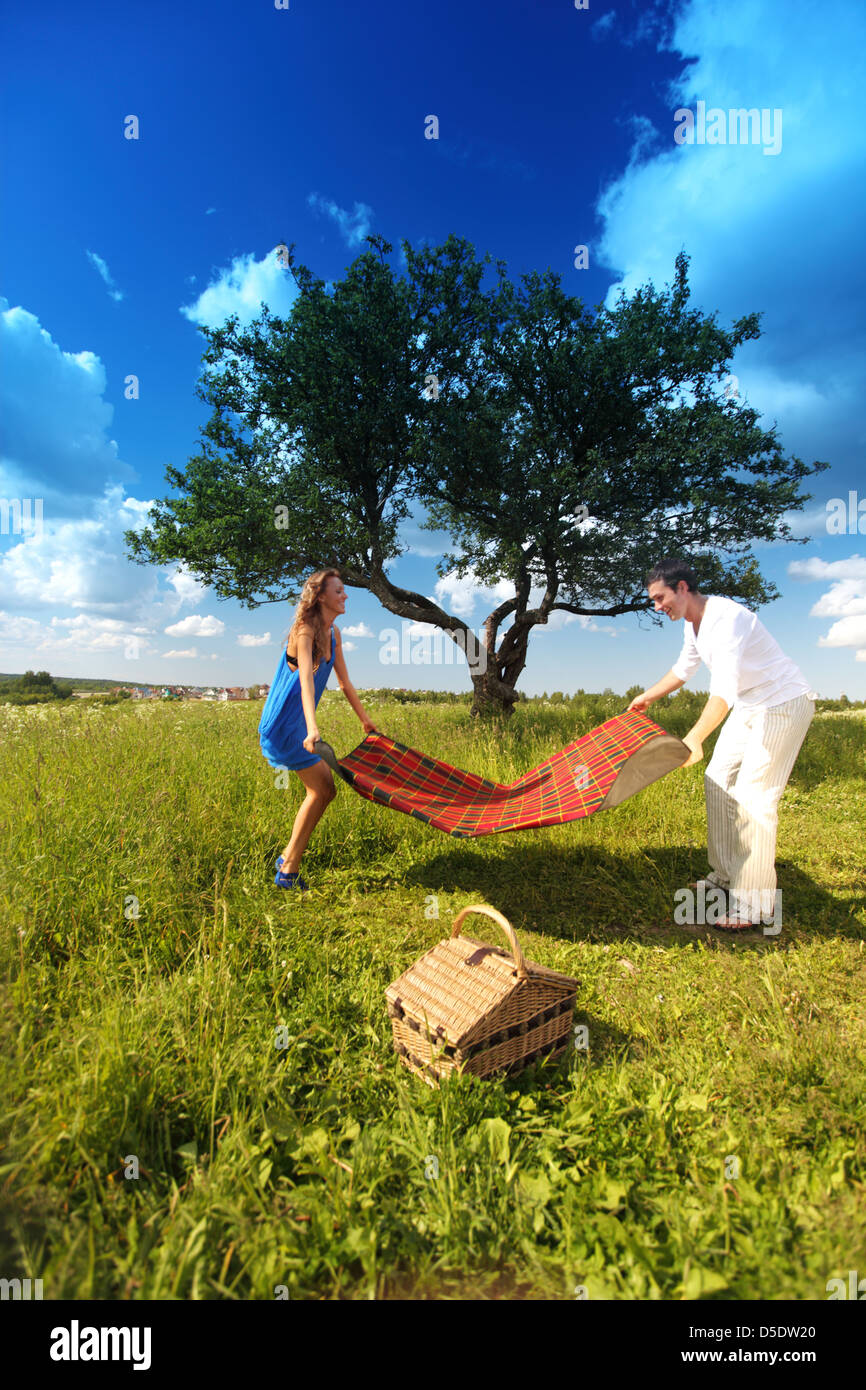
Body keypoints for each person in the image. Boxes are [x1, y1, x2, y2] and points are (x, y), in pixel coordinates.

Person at [627, 557, 816, 932]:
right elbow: (684, 668)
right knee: (716, 779)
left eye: (659, 597)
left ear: (682, 588)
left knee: (753, 797)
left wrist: (695, 738)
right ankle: (726, 874)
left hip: (782, 702)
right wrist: (647, 696)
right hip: (750, 704)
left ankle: (756, 904)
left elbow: (723, 692)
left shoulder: (725, 618)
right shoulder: (693, 625)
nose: (656, 606)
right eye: (653, 600)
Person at [259, 568, 378, 890]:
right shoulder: (304, 630)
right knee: (323, 790)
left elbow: (344, 681)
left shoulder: (334, 633)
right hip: (285, 724)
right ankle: (287, 869)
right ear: (321, 596)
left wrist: (365, 720)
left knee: (324, 790)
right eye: (339, 591)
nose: (345, 595)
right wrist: (312, 728)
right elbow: (306, 680)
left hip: (300, 724)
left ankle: (287, 861)